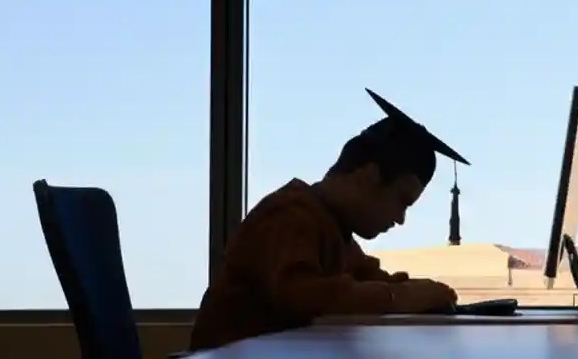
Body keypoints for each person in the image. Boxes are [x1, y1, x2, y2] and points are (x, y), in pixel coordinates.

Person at [188, 89, 466, 351]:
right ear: (367, 176)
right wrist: (401, 298)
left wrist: (426, 293)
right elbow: (302, 296)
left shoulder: (335, 229)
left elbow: (374, 280)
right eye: (401, 201)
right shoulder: (289, 215)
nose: (400, 219)